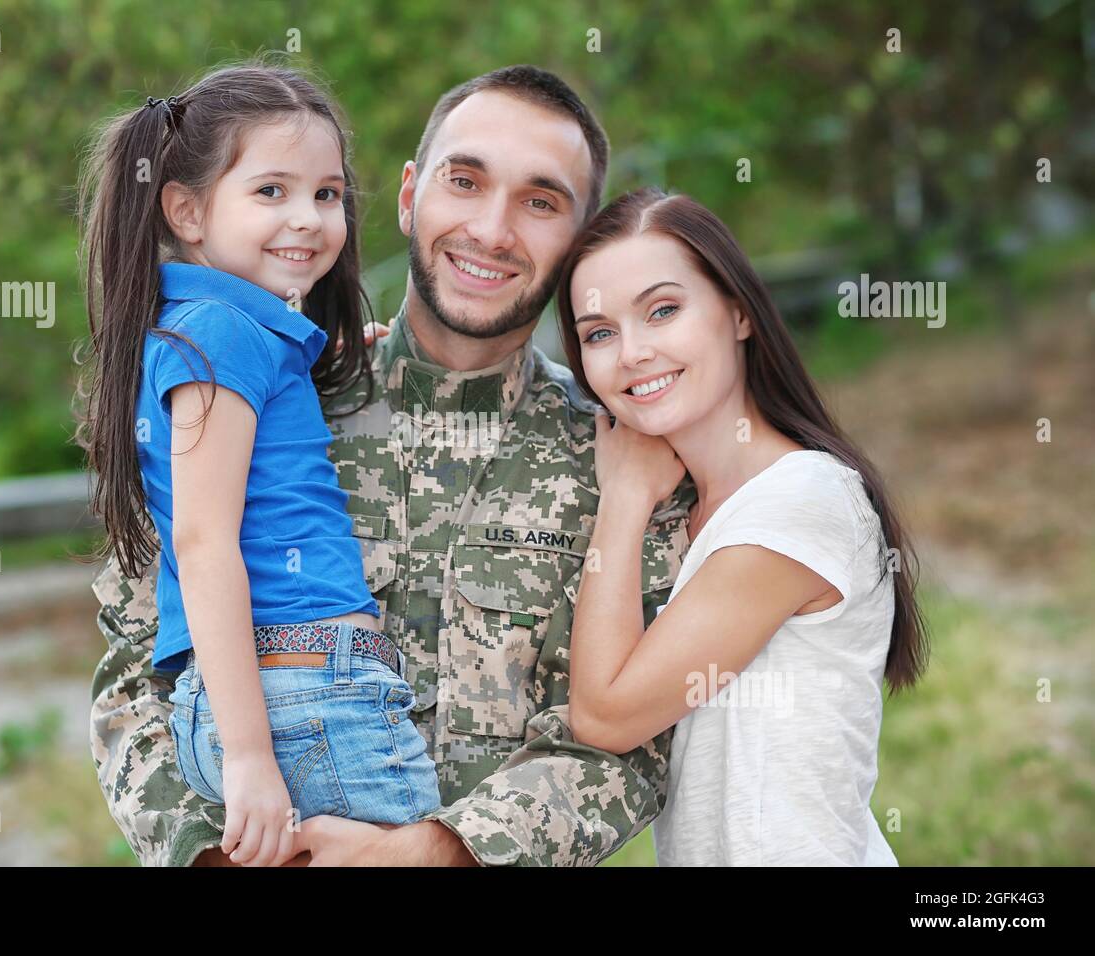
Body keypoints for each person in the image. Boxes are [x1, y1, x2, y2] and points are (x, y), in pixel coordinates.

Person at [88, 64, 695, 867]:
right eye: (464, 181)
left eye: (541, 202)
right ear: (410, 196)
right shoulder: (266, 399)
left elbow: (631, 743)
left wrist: (428, 854)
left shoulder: (625, 465)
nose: (492, 230)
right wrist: (215, 852)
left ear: (579, 245)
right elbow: (137, 677)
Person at [74, 62, 441, 868]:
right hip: (309, 696)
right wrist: (249, 758)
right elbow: (205, 540)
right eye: (271, 190)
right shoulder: (224, 334)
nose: (308, 218)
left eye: (327, 193)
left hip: (282, 695)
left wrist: (310, 364)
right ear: (186, 211)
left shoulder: (213, 330)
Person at [557, 188, 929, 865]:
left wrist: (624, 498)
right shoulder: (690, 511)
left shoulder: (799, 499)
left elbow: (606, 716)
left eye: (662, 310)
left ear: (739, 312)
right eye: (599, 333)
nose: (632, 352)